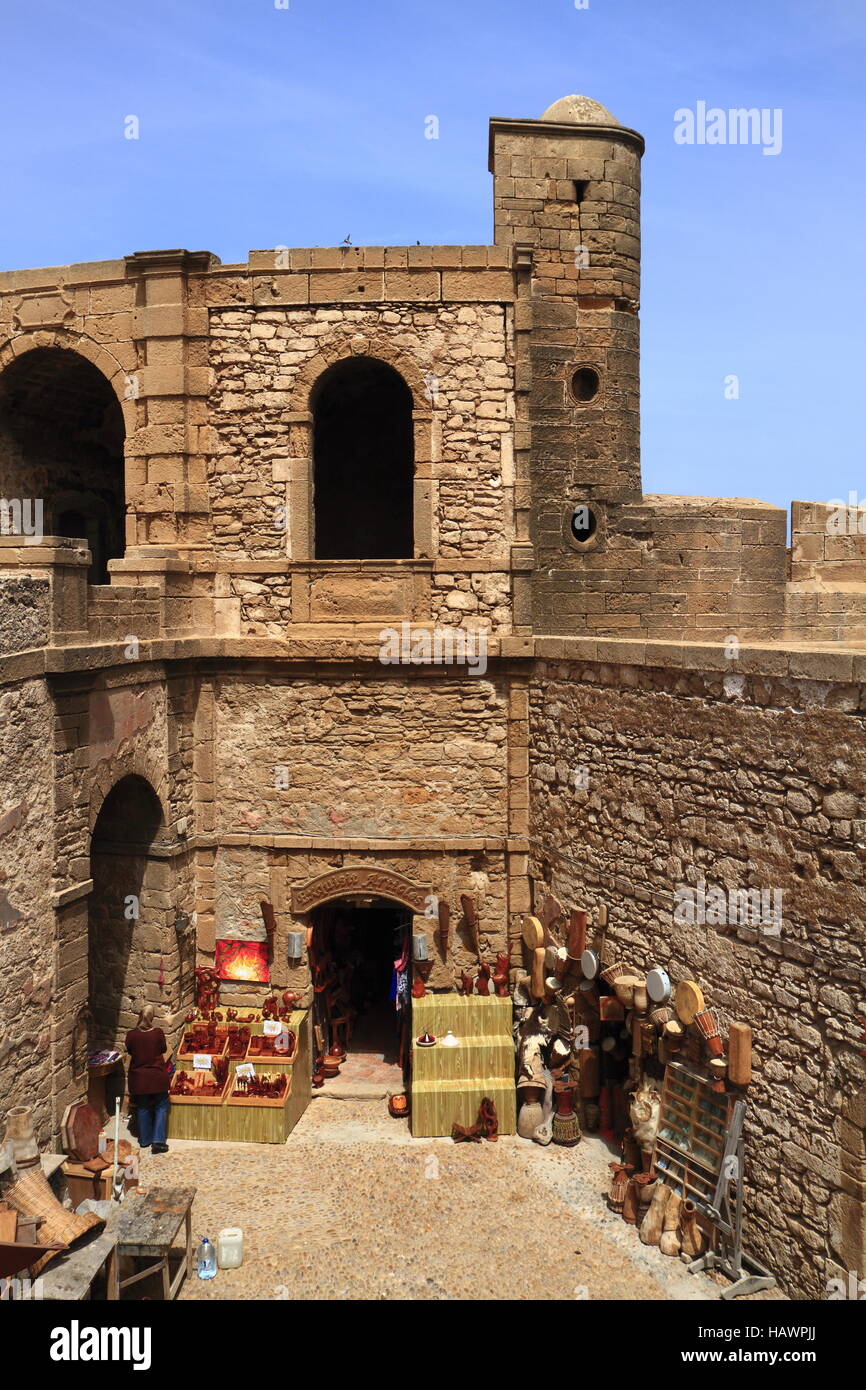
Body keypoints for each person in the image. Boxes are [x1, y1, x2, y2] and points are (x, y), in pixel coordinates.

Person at [125, 1004, 172, 1153]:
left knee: (143, 1106)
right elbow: (163, 1049)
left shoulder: (131, 1035)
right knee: (161, 1105)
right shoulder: (158, 1033)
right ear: (152, 1017)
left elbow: (130, 1050)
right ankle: (158, 1141)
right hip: (157, 1076)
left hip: (139, 1079)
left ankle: (145, 1139)